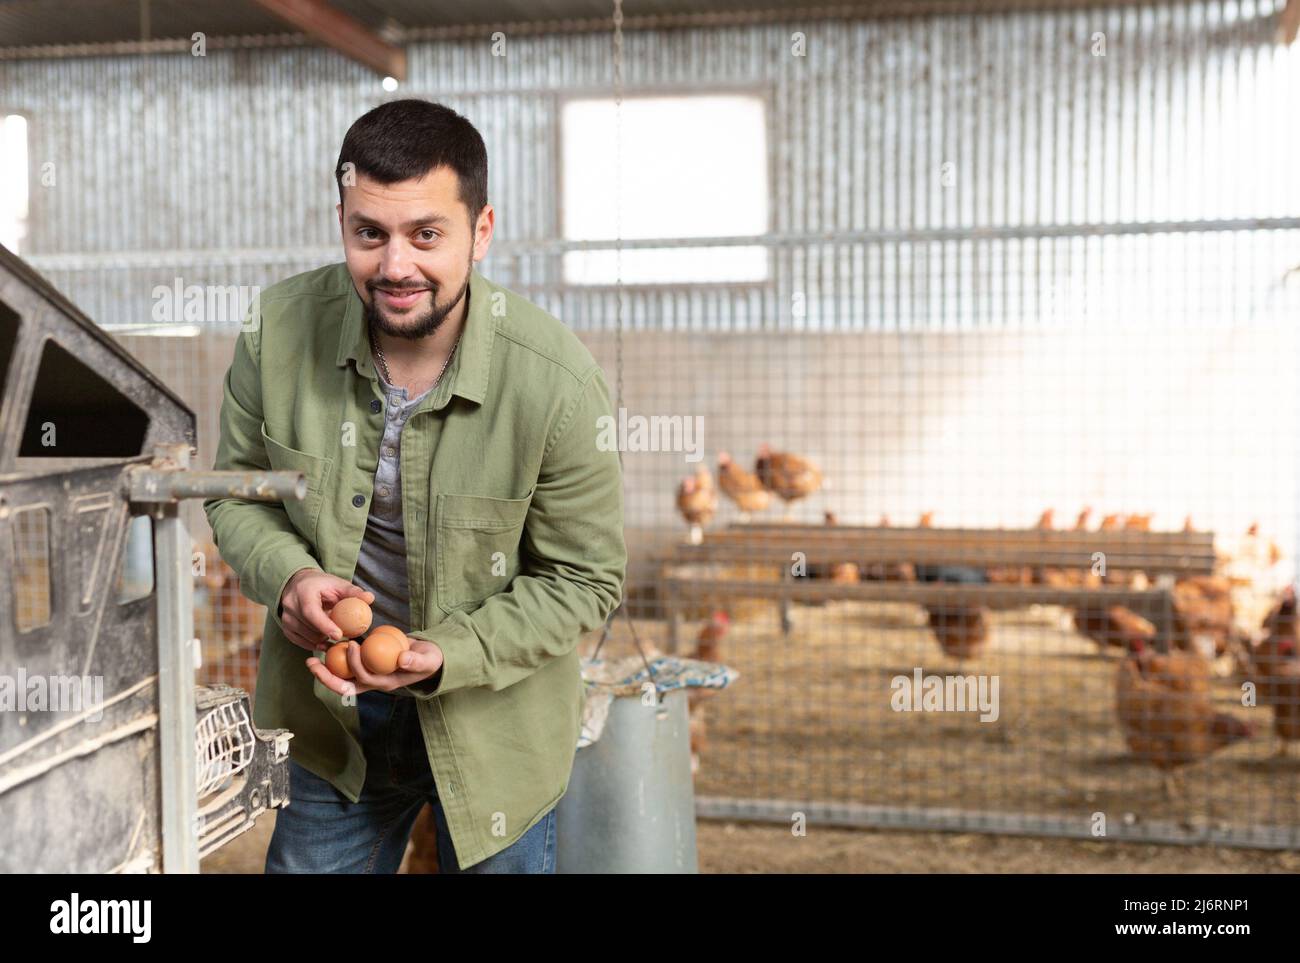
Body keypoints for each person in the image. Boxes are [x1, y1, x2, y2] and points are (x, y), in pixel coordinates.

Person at [202, 99, 627, 873]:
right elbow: (237, 492)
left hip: (494, 722)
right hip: (333, 720)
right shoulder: (277, 332)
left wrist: (443, 652)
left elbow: (583, 579)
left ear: (482, 229)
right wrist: (290, 576)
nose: (396, 266)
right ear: (342, 221)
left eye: (426, 234)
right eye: (371, 233)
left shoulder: (557, 383)